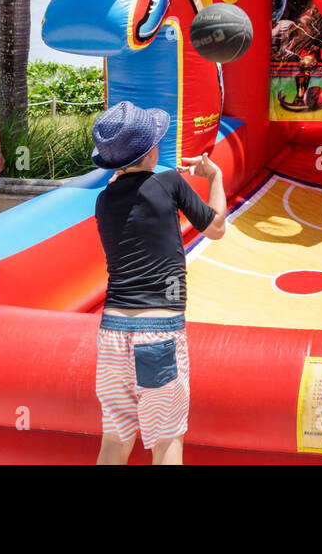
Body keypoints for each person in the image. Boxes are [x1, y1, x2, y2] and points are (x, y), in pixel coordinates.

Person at [91, 101, 228, 465]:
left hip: (112, 334)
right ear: (152, 150)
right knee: (166, 443)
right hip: (158, 332)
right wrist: (214, 177)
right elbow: (216, 228)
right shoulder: (168, 182)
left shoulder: (103, 201)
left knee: (114, 441)